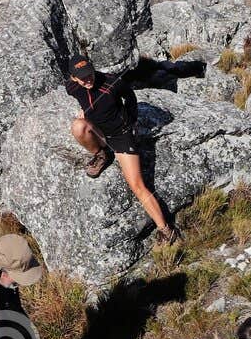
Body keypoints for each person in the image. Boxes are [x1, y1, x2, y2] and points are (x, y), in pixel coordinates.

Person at [64, 56, 179, 245]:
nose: (88, 79)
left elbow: (131, 97)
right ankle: (101, 154)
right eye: (82, 77)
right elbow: (83, 97)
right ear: (74, 78)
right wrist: (84, 112)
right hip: (99, 132)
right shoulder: (73, 87)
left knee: (137, 185)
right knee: (78, 126)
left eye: (89, 74)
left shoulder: (111, 82)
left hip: (121, 135)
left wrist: (131, 121)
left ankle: (166, 230)